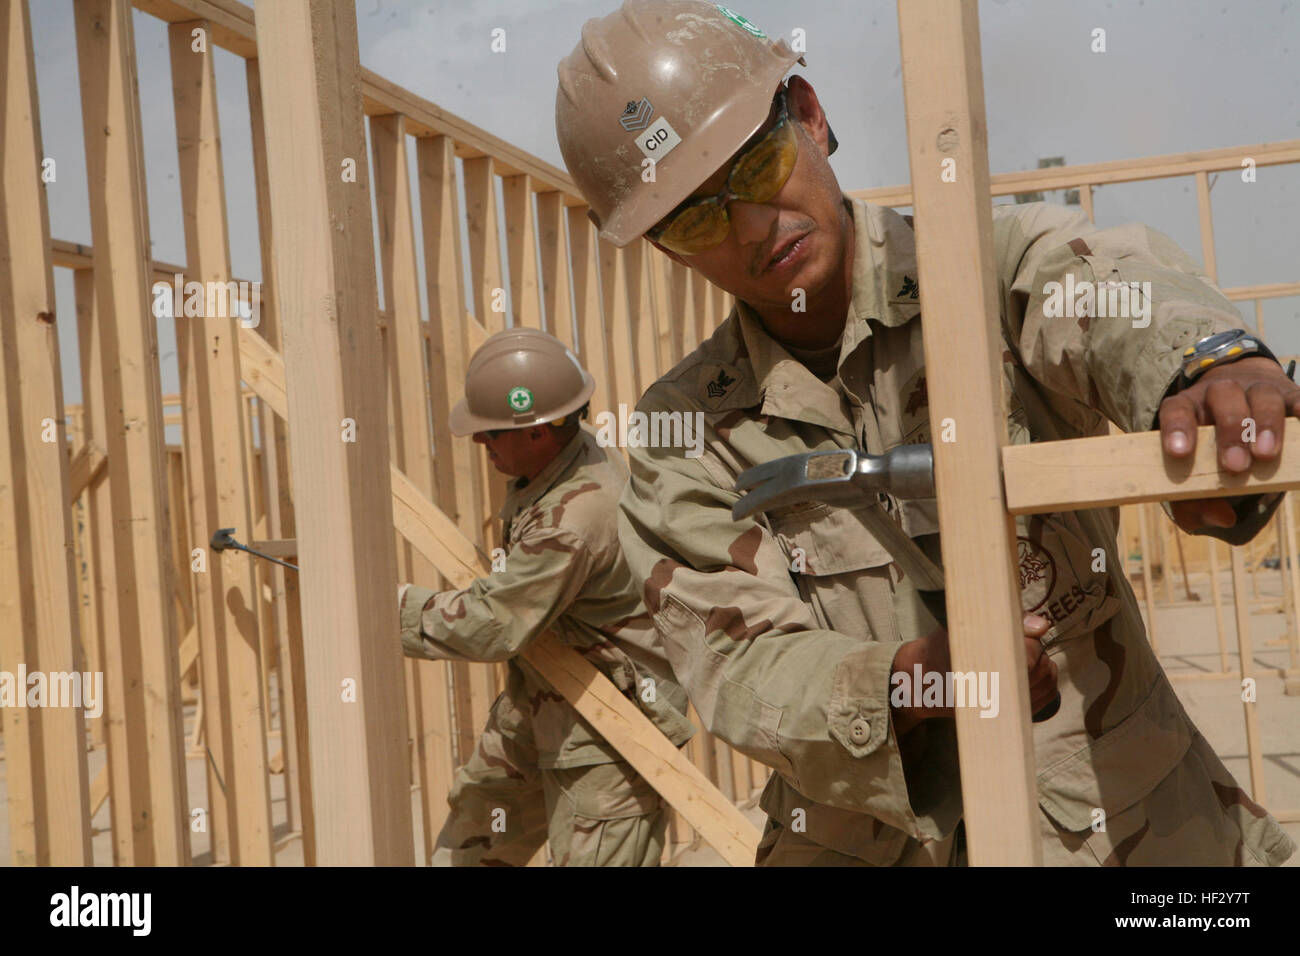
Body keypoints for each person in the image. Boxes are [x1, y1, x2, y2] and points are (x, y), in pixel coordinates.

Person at [554, 0, 1298, 865]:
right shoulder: (684, 432)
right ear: (668, 250)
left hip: (1120, 825)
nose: (754, 227)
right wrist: (908, 680)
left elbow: (1100, 288)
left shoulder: (985, 272)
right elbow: (732, 670)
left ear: (810, 116)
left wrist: (1204, 366)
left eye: (755, 167)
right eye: (693, 218)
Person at [397, 327, 694, 865]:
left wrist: (385, 610)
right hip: (543, 699)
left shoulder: (578, 515)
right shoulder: (559, 458)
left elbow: (494, 622)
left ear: (538, 430)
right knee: (471, 847)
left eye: (489, 432)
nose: (478, 442)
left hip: (607, 734)